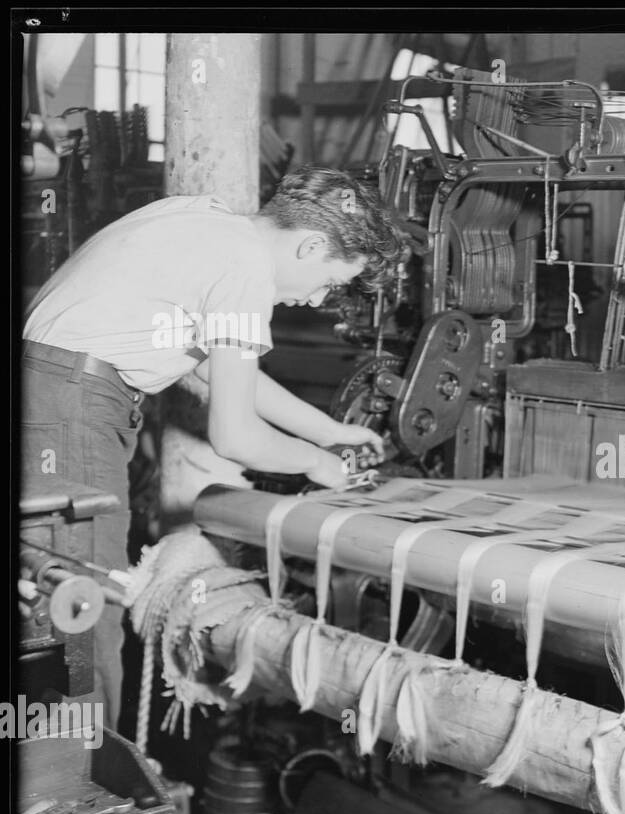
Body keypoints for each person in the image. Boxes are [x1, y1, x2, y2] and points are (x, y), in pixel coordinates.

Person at [21, 165, 405, 731]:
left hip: (54, 392)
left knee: (45, 589)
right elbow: (235, 435)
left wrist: (328, 432)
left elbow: (218, 374)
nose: (319, 298)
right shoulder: (244, 268)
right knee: (84, 604)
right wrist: (321, 465)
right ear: (311, 244)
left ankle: (49, 758)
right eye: (332, 282)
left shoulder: (205, 222)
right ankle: (77, 790)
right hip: (73, 408)